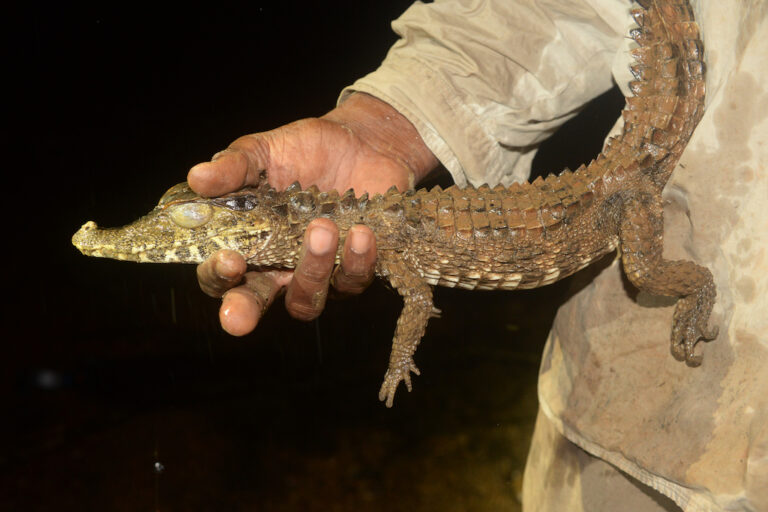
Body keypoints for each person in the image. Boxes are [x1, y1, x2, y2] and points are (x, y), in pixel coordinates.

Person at [188, 1, 767, 510]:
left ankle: (700, 287)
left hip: (619, 199)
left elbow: (417, 301)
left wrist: (399, 360)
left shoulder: (389, 239)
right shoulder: (380, 231)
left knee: (644, 270)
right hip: (631, 431)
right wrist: (384, 129)